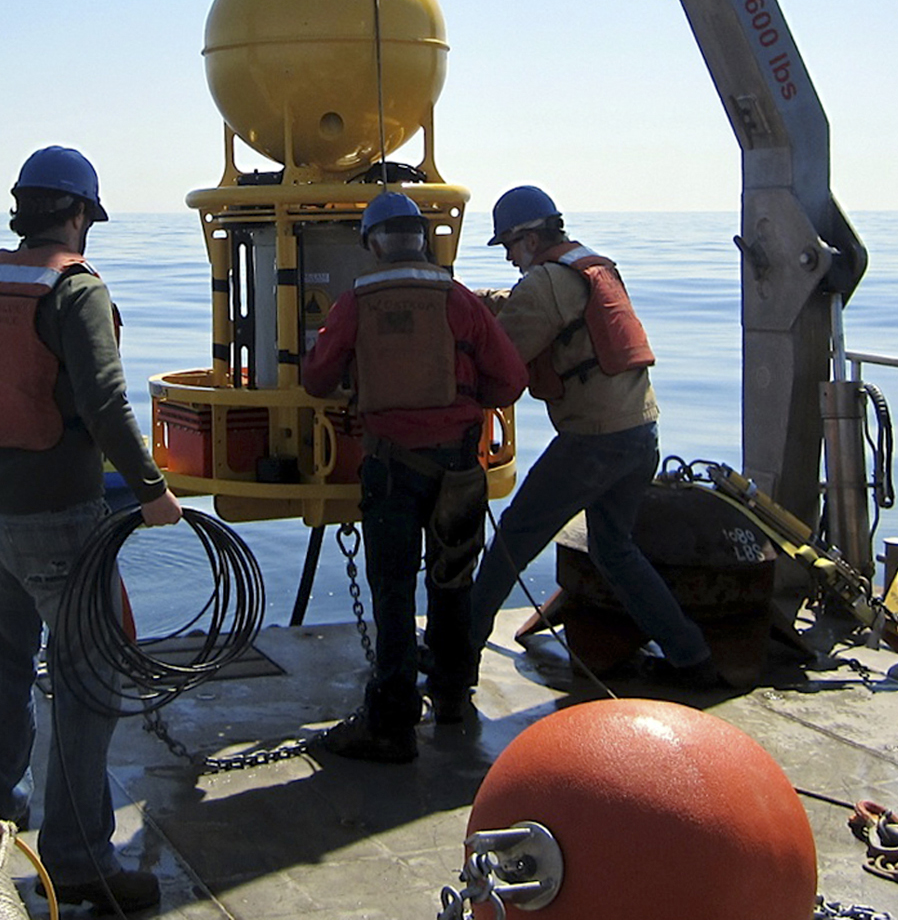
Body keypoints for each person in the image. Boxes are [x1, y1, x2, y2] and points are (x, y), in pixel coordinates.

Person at [0, 145, 181, 914]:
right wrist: (151, 491)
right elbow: (107, 403)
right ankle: (79, 861)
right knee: (90, 683)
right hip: (58, 520)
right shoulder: (75, 287)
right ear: (81, 213)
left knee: (7, 668)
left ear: (22, 209)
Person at [302, 191, 528, 762]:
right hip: (458, 466)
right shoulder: (458, 299)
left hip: (390, 467)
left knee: (394, 591)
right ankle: (452, 695)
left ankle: (393, 720)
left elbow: (317, 380)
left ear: (372, 244)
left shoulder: (356, 302)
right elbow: (509, 378)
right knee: (453, 582)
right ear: (423, 238)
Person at [466, 185, 722, 687]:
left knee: (514, 539)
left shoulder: (542, 284)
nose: (512, 262)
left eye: (510, 248)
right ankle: (692, 657)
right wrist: (471, 298)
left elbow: (503, 361)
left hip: (593, 442)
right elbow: (533, 303)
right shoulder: (592, 265)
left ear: (528, 238)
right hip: (641, 431)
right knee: (613, 549)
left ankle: (456, 653)